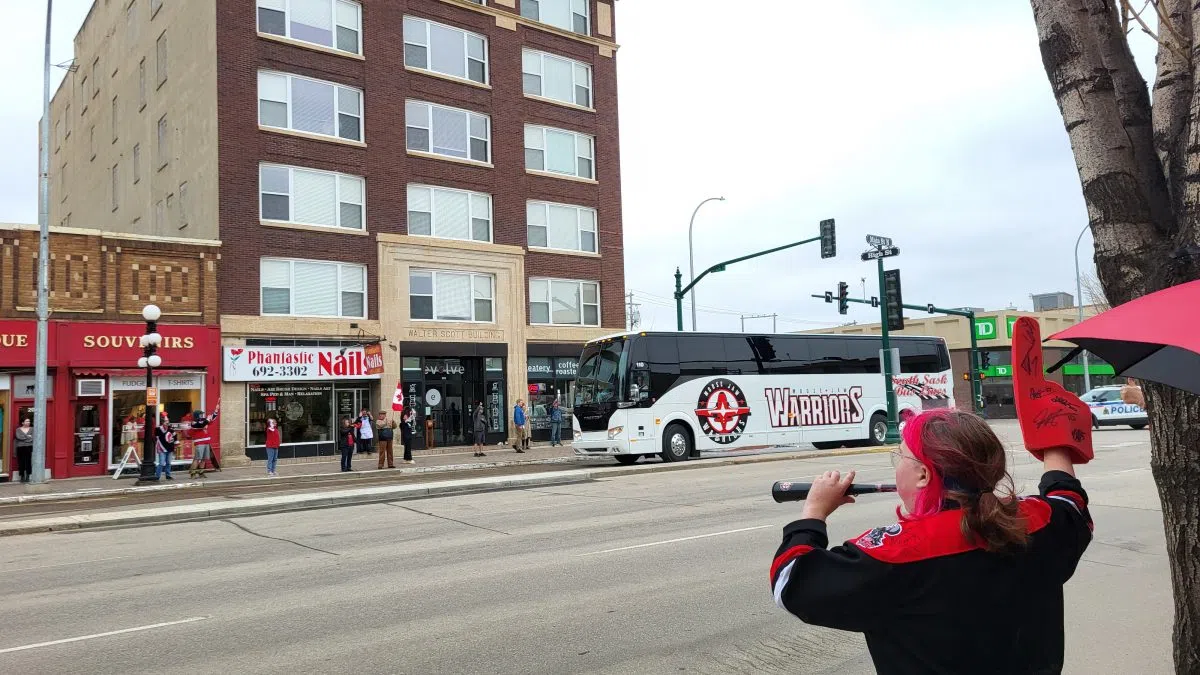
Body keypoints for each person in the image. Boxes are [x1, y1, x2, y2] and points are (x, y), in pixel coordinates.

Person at [770, 408, 1093, 675]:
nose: (898, 465)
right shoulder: (1039, 523)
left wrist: (813, 512)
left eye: (902, 456)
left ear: (924, 475)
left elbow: (791, 581)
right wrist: (1055, 440)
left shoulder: (894, 556)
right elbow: (1068, 499)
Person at [188, 404, 220, 479]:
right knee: (197, 458)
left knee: (204, 458)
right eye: (200, 414)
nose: (202, 415)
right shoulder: (194, 423)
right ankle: (192, 473)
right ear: (197, 416)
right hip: (199, 443)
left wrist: (216, 410)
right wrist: (207, 420)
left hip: (206, 442)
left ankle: (201, 472)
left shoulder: (203, 421)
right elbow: (201, 425)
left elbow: (212, 418)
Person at [154, 412, 176, 480]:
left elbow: (174, 436)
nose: (167, 422)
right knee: (161, 463)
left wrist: (175, 442)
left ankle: (168, 475)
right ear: (162, 421)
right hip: (162, 447)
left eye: (168, 421)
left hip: (170, 447)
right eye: (166, 421)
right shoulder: (158, 429)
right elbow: (158, 436)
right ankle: (157, 476)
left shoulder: (171, 428)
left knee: (169, 463)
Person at [14, 418, 34, 483]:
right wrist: (28, 436)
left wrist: (24, 437)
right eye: (27, 421)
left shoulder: (32, 429)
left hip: (29, 447)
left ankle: (28, 476)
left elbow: (32, 438)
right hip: (20, 447)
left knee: (28, 461)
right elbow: (18, 437)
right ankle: (22, 476)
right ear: (22, 422)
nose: (28, 422)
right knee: (21, 462)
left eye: (29, 421)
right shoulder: (18, 429)